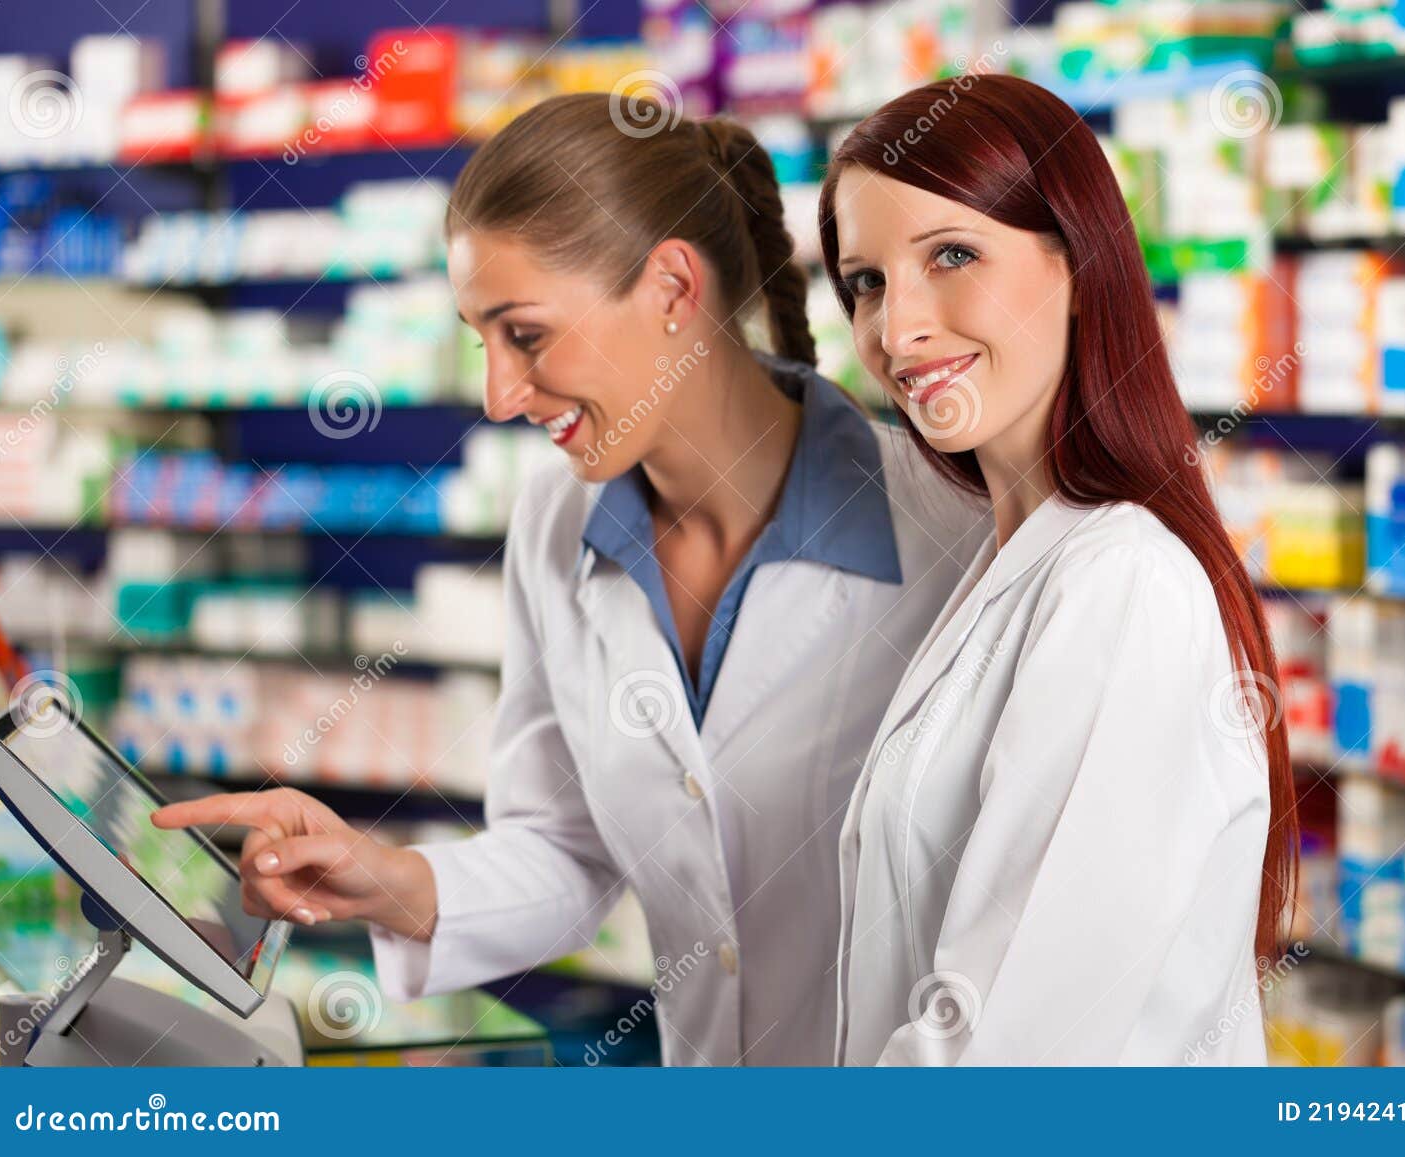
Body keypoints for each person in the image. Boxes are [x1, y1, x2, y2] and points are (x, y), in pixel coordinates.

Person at [152, 93, 984, 1066]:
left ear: (673, 286)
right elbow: (569, 848)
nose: (500, 395)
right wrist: (390, 878)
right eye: (482, 343)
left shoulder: (955, 533)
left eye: (528, 335)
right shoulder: (556, 522)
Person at [818, 74, 1299, 1065]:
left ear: (1079, 262)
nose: (896, 330)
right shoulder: (1012, 561)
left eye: (951, 255)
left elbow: (1007, 1053)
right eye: (865, 281)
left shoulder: (1122, 584)